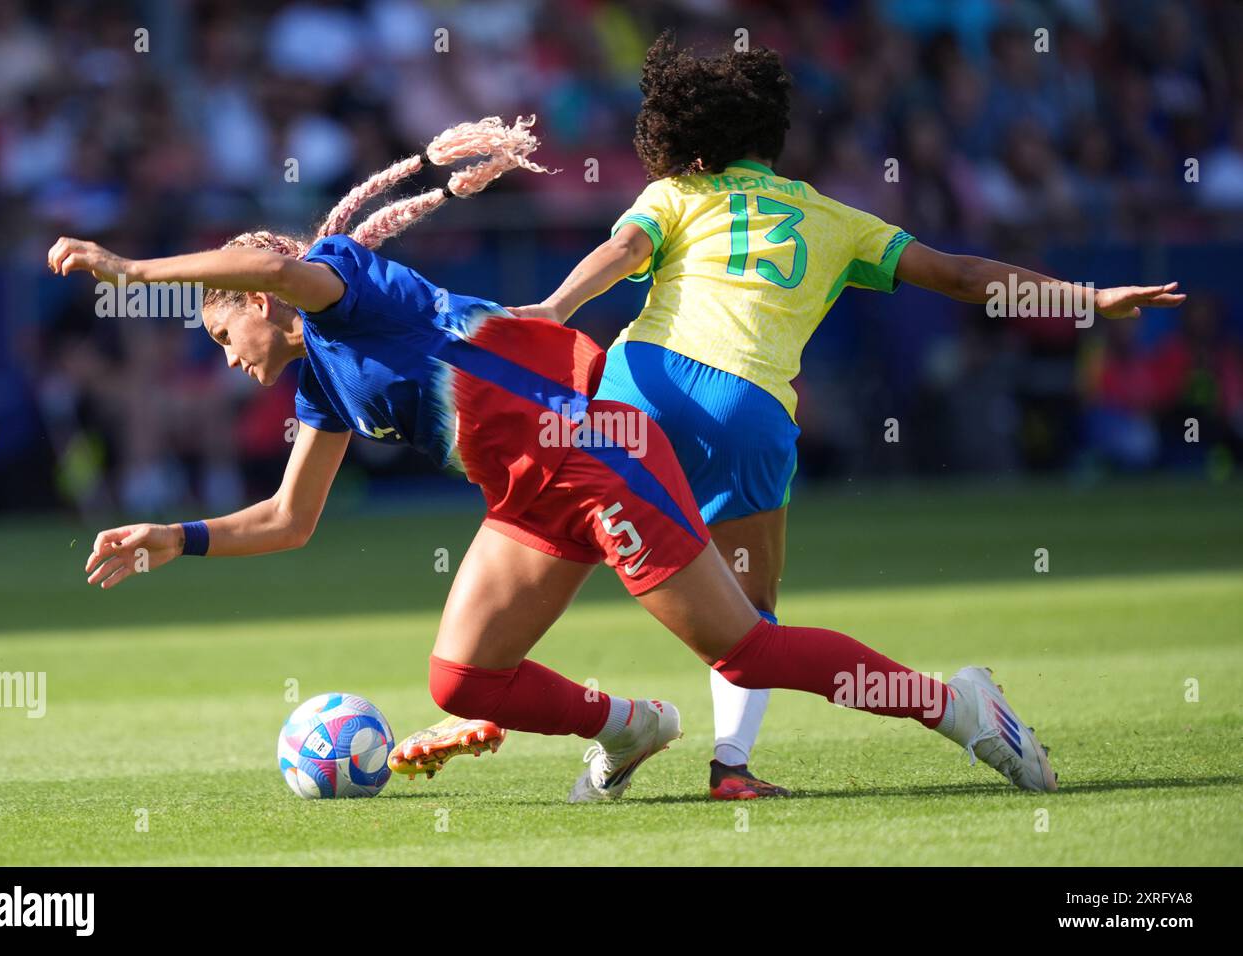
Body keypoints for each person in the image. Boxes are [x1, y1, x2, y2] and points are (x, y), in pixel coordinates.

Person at [59, 115, 1058, 804]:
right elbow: (288, 520)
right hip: (527, 489)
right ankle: (629, 723)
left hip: (588, 445)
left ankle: (957, 704)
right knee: (461, 678)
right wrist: (173, 538)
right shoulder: (321, 377)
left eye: (218, 329)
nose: (224, 357)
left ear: (259, 301)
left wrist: (134, 269)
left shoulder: (339, 281)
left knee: (744, 647)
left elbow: (278, 264)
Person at [508, 34, 1185, 799]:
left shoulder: (676, 194)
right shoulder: (834, 217)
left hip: (639, 391)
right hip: (746, 409)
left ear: (685, 143)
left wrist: (554, 309)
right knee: (752, 624)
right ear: (772, 137)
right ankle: (732, 768)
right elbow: (963, 276)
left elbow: (623, 249)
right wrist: (1088, 300)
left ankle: (562, 711)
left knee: (549, 547)